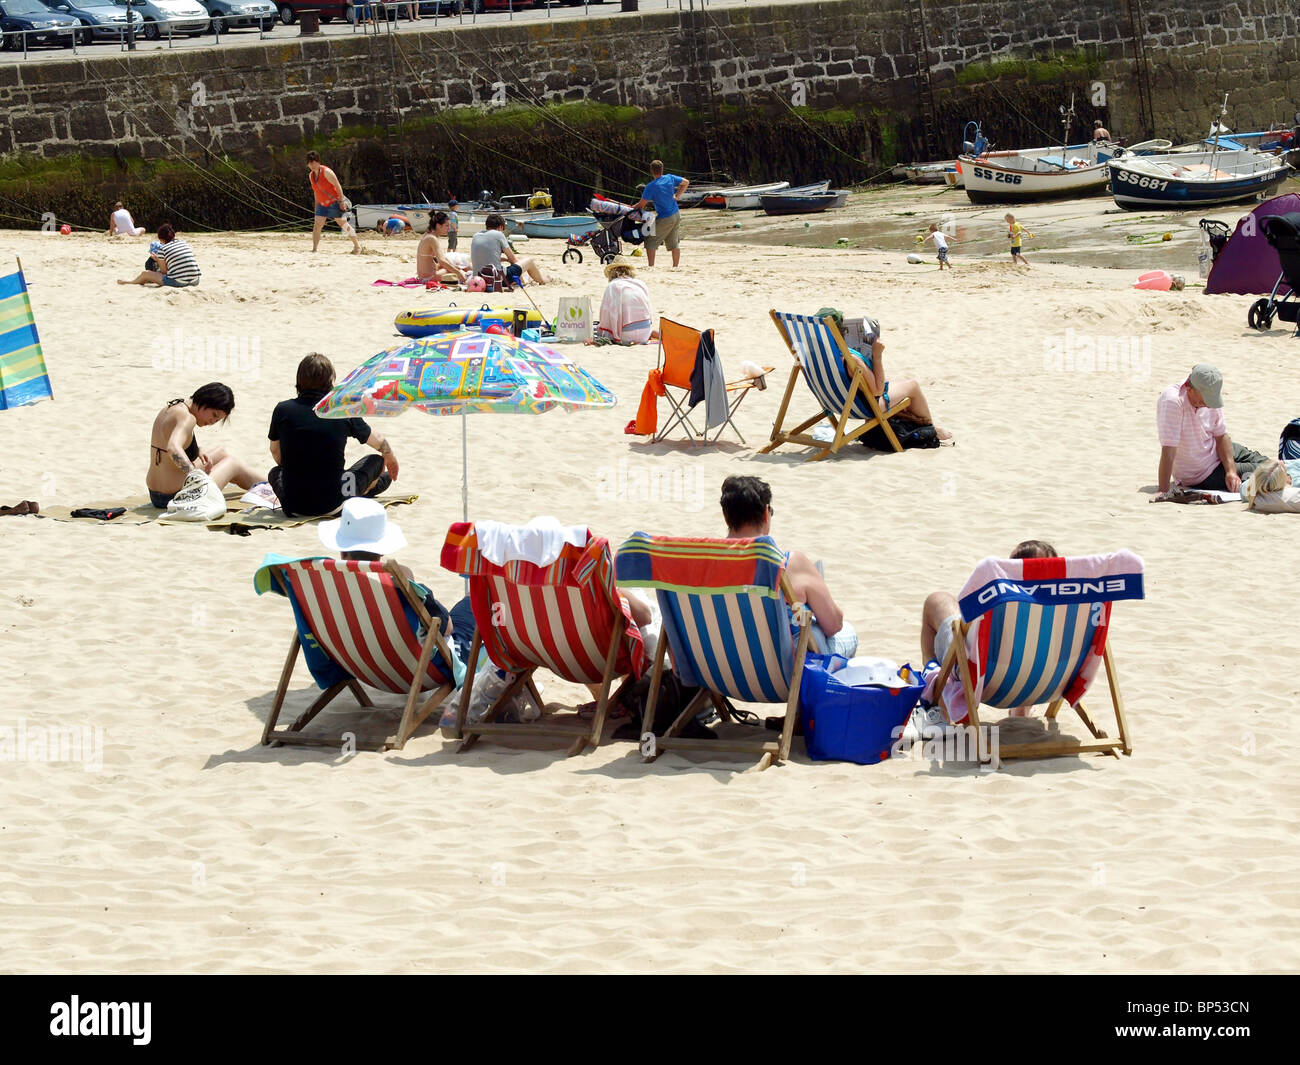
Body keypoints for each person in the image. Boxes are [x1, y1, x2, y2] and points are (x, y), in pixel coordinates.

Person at [320, 498, 476, 674]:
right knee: (476, 599)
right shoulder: (397, 586)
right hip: (424, 665)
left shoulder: (326, 585)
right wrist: (407, 578)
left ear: (342, 552)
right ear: (381, 550)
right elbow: (447, 628)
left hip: (363, 665)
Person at [720, 475, 857, 657]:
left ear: (726, 517)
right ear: (765, 514)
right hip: (783, 671)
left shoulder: (705, 564)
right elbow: (833, 625)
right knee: (848, 633)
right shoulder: (789, 564)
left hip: (723, 662)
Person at [268, 353, 401, 518]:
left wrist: (295, 467)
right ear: (330, 380)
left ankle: (371, 485)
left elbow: (275, 451)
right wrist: (390, 455)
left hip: (293, 505)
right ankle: (371, 487)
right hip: (334, 504)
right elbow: (378, 441)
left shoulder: (283, 410)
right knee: (377, 461)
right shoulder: (340, 410)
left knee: (275, 472)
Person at [816, 307, 951, 439]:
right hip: (864, 407)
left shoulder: (816, 356)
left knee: (897, 383)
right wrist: (877, 356)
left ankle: (913, 424)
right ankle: (931, 430)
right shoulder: (851, 360)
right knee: (912, 385)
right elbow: (877, 391)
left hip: (837, 403)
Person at [1155, 363, 1267, 498]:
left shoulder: (1210, 392)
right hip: (1202, 473)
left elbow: (1221, 436)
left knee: (1270, 464)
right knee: (1268, 473)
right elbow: (1168, 450)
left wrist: (1230, 471)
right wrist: (1163, 490)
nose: (1209, 404)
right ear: (1190, 390)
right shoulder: (1173, 401)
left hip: (1217, 448)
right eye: (1205, 401)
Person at [146, 383, 263, 508]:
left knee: (220, 452)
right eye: (214, 415)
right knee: (233, 464)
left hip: (155, 494)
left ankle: (272, 484)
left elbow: (168, 443)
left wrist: (196, 450)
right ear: (206, 402)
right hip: (177, 497)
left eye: (217, 420)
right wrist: (195, 477)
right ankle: (276, 486)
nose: (212, 422)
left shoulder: (173, 407)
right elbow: (173, 448)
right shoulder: (188, 418)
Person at [633, 159, 689, 268]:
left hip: (665, 217)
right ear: (662, 169)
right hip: (676, 214)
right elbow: (686, 182)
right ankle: (675, 267)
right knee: (674, 243)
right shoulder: (670, 177)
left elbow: (641, 205)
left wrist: (630, 208)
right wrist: (677, 196)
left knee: (650, 240)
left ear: (651, 171)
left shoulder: (651, 186)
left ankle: (651, 266)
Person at [587, 257, 657, 345]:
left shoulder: (613, 286)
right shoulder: (640, 284)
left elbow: (606, 316)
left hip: (625, 336)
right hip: (645, 334)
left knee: (597, 328)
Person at [307, 151, 360, 254]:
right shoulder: (311, 176)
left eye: (314, 162)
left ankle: (357, 246)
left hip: (334, 202)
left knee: (343, 224)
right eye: (310, 163)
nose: (312, 165)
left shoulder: (327, 172)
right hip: (322, 204)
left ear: (318, 162)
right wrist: (316, 207)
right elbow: (316, 191)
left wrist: (341, 201)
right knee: (317, 225)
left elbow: (338, 186)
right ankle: (314, 249)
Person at [470, 213, 546, 285]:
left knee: (512, 269)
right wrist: (521, 281)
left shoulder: (476, 236)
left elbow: (488, 257)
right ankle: (542, 282)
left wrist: (506, 260)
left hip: (479, 278)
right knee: (529, 261)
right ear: (500, 227)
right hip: (498, 279)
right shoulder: (498, 234)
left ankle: (529, 280)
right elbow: (513, 260)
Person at [118, 224, 201, 288]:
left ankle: (130, 282)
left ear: (161, 239)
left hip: (178, 281)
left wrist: (157, 260)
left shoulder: (163, 249)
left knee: (145, 274)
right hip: (195, 280)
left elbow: (164, 272)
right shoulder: (184, 243)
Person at [416, 211, 468, 284]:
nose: (449, 228)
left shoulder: (427, 235)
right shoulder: (432, 238)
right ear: (438, 225)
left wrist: (455, 268)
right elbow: (442, 261)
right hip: (428, 278)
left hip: (423, 276)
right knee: (453, 270)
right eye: (446, 226)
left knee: (454, 266)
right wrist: (458, 273)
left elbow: (441, 259)